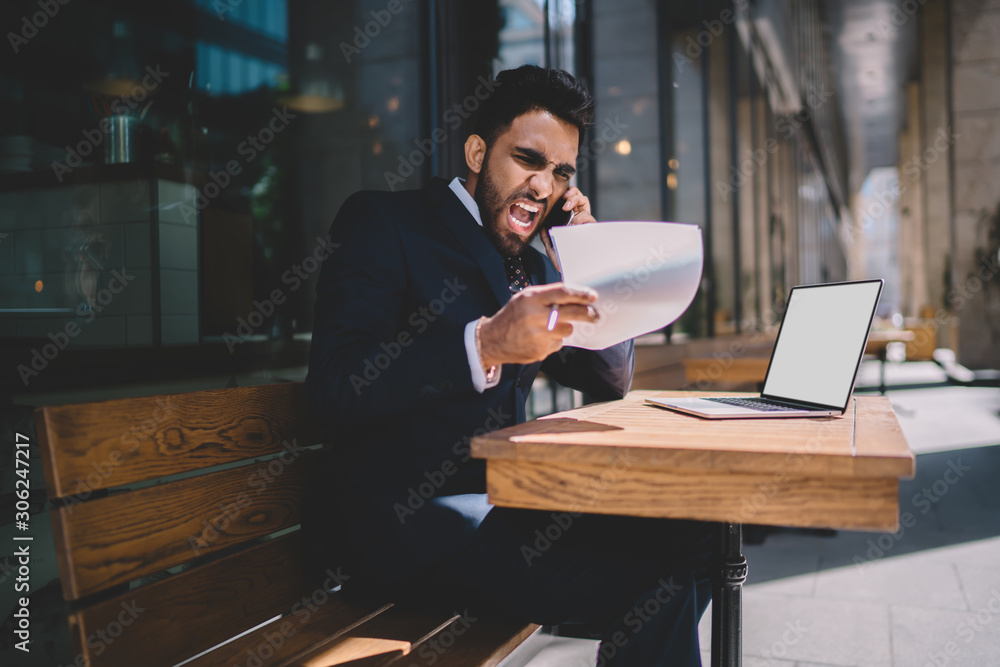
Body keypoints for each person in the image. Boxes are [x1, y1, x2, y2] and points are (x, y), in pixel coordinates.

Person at [305, 65, 714, 666]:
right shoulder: (385, 223)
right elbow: (335, 387)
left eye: (561, 172)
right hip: (406, 536)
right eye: (528, 159)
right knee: (657, 584)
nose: (544, 186)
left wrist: (590, 263)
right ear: (476, 152)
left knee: (704, 535)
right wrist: (485, 344)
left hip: (508, 513)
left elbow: (607, 379)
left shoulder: (541, 263)